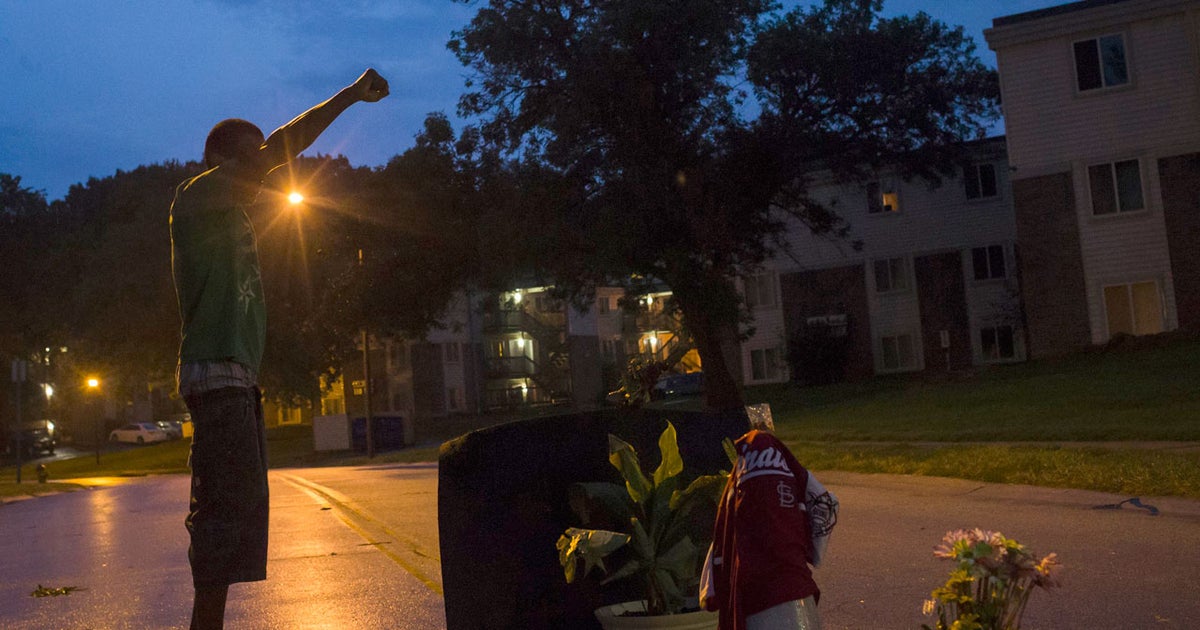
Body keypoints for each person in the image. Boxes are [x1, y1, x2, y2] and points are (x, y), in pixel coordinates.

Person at [170, 68, 389, 630]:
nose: (260, 168)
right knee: (222, 509)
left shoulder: (237, 217)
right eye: (248, 157)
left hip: (238, 378)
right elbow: (285, 145)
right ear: (217, 160)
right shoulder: (196, 198)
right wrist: (348, 96)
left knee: (238, 508)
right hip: (215, 373)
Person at [701, 404, 839, 630]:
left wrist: (711, 589)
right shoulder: (789, 470)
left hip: (754, 592)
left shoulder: (736, 486)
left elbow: (722, 534)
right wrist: (813, 550)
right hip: (794, 583)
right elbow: (826, 503)